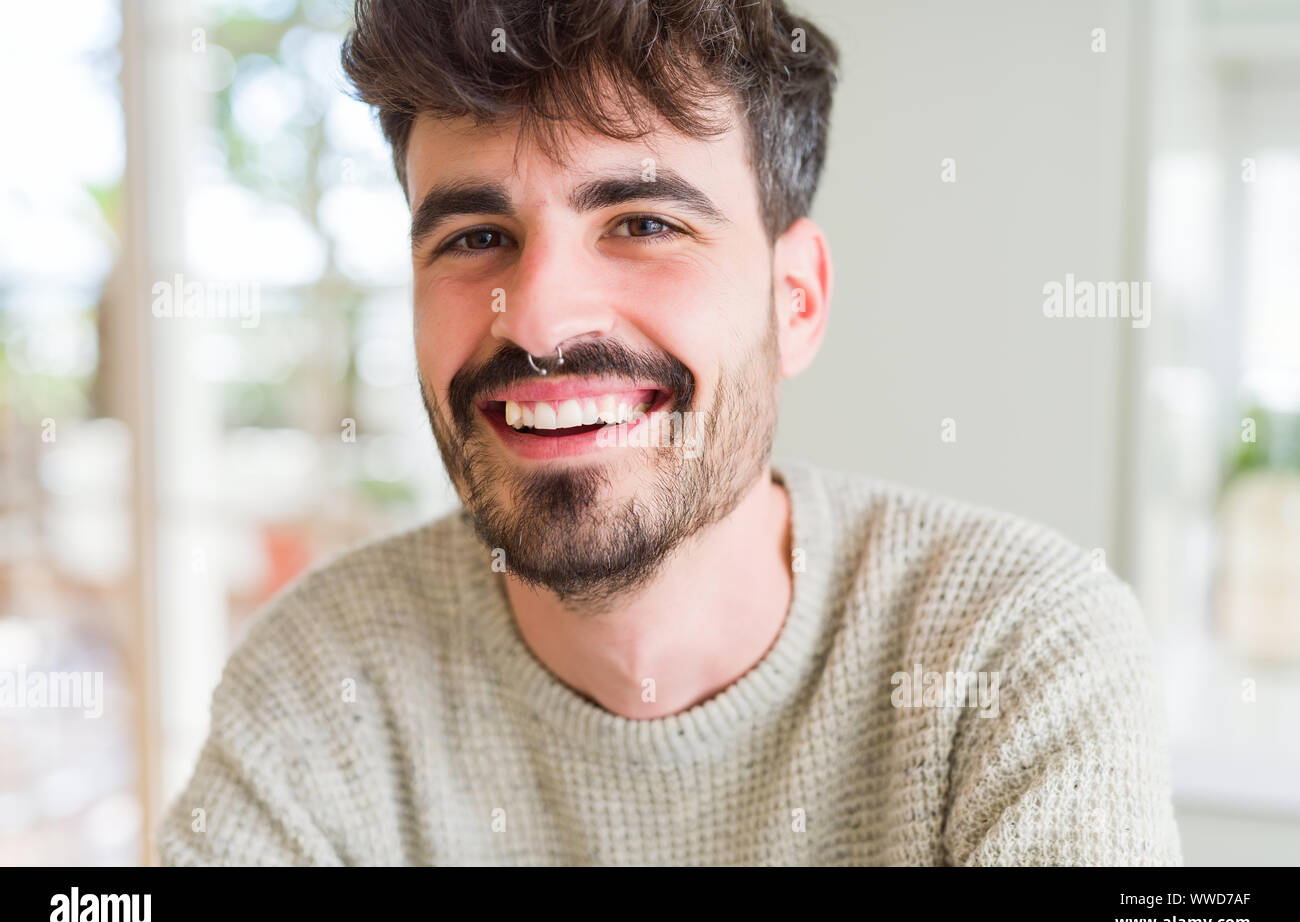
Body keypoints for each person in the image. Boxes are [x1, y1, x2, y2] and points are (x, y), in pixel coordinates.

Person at [157, 0, 1182, 866]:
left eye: (643, 223)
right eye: (476, 238)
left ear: (796, 302)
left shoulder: (1014, 649)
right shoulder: (324, 681)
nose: (544, 320)